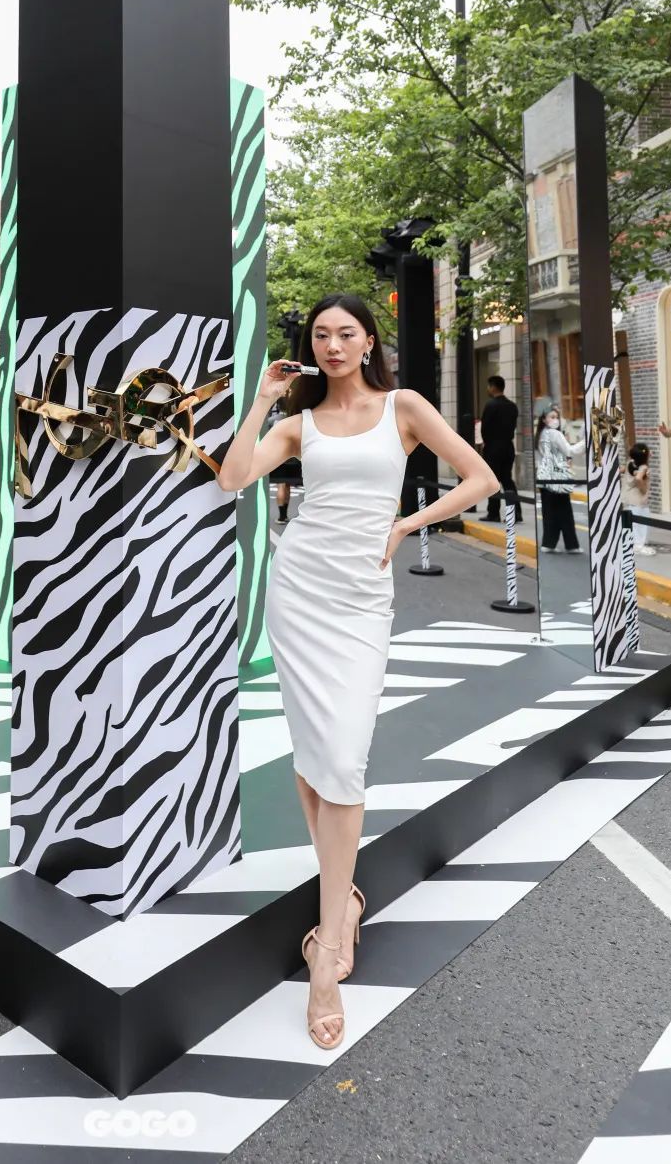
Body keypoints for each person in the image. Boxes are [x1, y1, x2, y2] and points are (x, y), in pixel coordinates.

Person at [218, 292, 497, 1052]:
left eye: (346, 333)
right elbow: (231, 480)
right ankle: (329, 944)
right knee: (319, 757)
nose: (333, 344)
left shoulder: (402, 405)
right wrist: (261, 399)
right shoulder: (296, 422)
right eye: (320, 334)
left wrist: (407, 523)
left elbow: (480, 480)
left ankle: (335, 919)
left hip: (363, 598)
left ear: (369, 340)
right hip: (300, 588)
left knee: (343, 756)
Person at [534, 405, 585, 552]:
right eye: (552, 417)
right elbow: (570, 450)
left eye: (556, 417)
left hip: (545, 476)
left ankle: (548, 543)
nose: (555, 420)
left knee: (550, 511)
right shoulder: (554, 434)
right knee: (564, 511)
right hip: (557, 476)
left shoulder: (542, 433)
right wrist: (586, 441)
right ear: (544, 419)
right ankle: (571, 545)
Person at [478, 373, 521, 523]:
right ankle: (517, 512)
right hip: (508, 446)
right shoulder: (512, 406)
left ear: (493, 387)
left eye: (488, 386)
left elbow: (485, 429)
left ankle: (493, 513)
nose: (487, 389)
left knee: (493, 480)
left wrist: (486, 444)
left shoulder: (491, 405)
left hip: (493, 447)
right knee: (507, 479)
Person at [621, 442, 655, 557]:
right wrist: (644, 490)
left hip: (628, 498)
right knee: (641, 524)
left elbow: (623, 471)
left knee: (633, 524)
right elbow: (639, 478)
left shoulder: (630, 463)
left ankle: (634, 544)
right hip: (638, 500)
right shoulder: (644, 467)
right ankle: (639, 546)